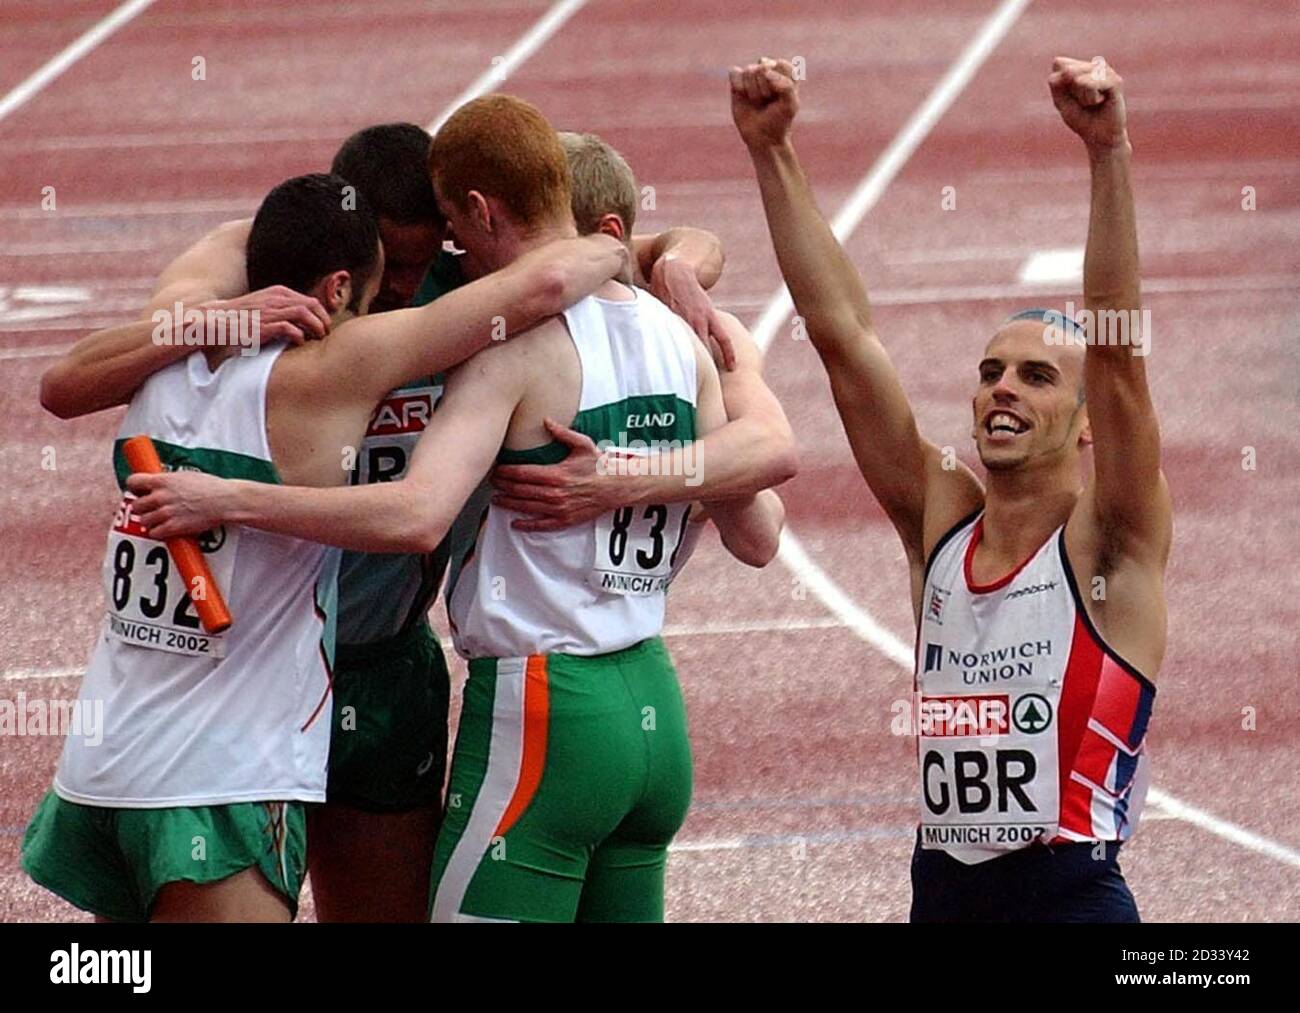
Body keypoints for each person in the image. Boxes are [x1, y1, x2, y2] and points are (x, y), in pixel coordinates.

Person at [127, 95, 798, 922]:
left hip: (403, 671)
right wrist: (221, 316)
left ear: (465, 224)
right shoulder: (276, 269)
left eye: (429, 257)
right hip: (260, 671)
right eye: (391, 266)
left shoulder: (486, 300)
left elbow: (649, 243)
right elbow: (100, 359)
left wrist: (677, 270)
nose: (406, 288)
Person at [21, 171, 627, 922]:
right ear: (341, 287)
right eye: (384, 279)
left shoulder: (167, 344)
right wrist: (619, 245)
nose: (399, 292)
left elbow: (59, 384)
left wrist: (224, 318)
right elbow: (544, 285)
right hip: (224, 771)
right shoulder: (338, 365)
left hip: (115, 755)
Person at [727, 56, 1168, 922]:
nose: (1003, 386)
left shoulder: (1110, 539)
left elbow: (1116, 354)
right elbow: (843, 338)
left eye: (1038, 377)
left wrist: (1109, 151)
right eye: (991, 371)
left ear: (1085, 423)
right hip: (942, 891)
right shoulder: (942, 522)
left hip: (1067, 896)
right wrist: (771, 152)